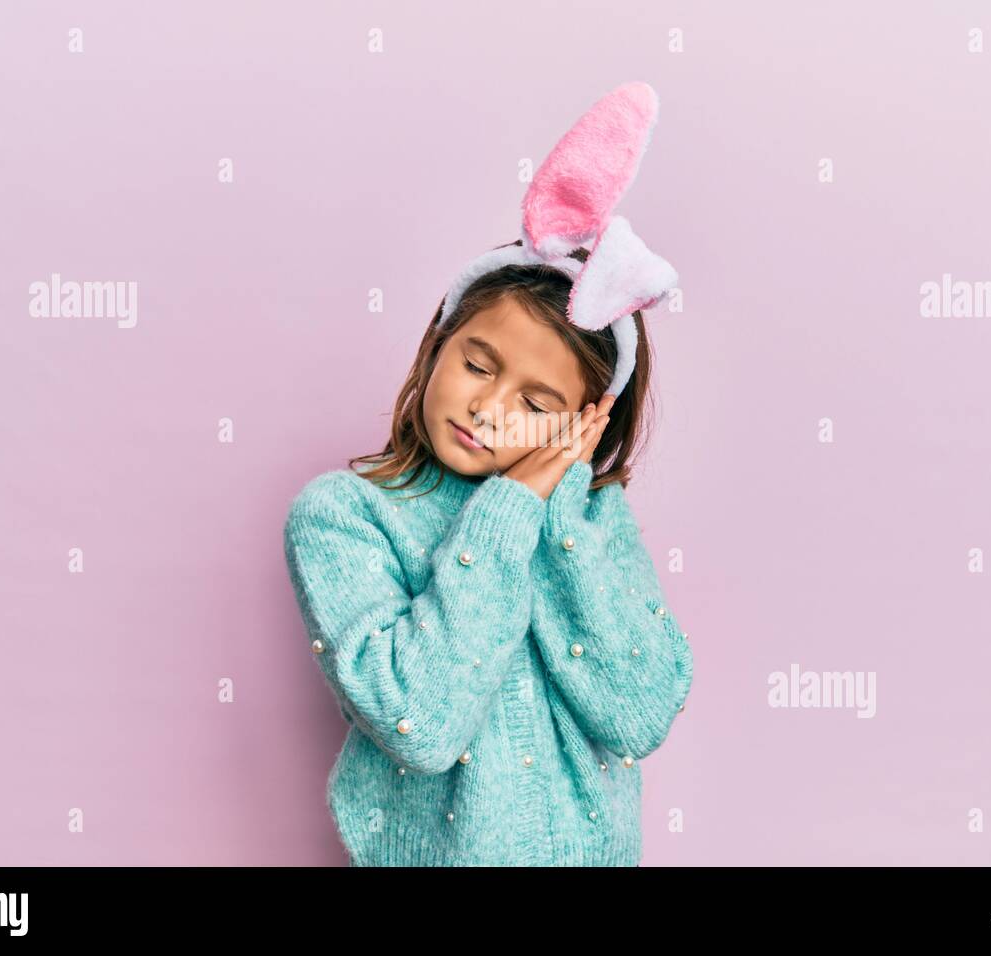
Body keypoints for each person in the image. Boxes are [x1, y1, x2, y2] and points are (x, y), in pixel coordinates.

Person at [283, 81, 693, 866]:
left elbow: (638, 715)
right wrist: (507, 510)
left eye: (537, 401)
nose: (492, 408)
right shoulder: (344, 517)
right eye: (477, 364)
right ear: (438, 345)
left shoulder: (593, 523)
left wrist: (561, 498)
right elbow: (422, 721)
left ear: (584, 423)